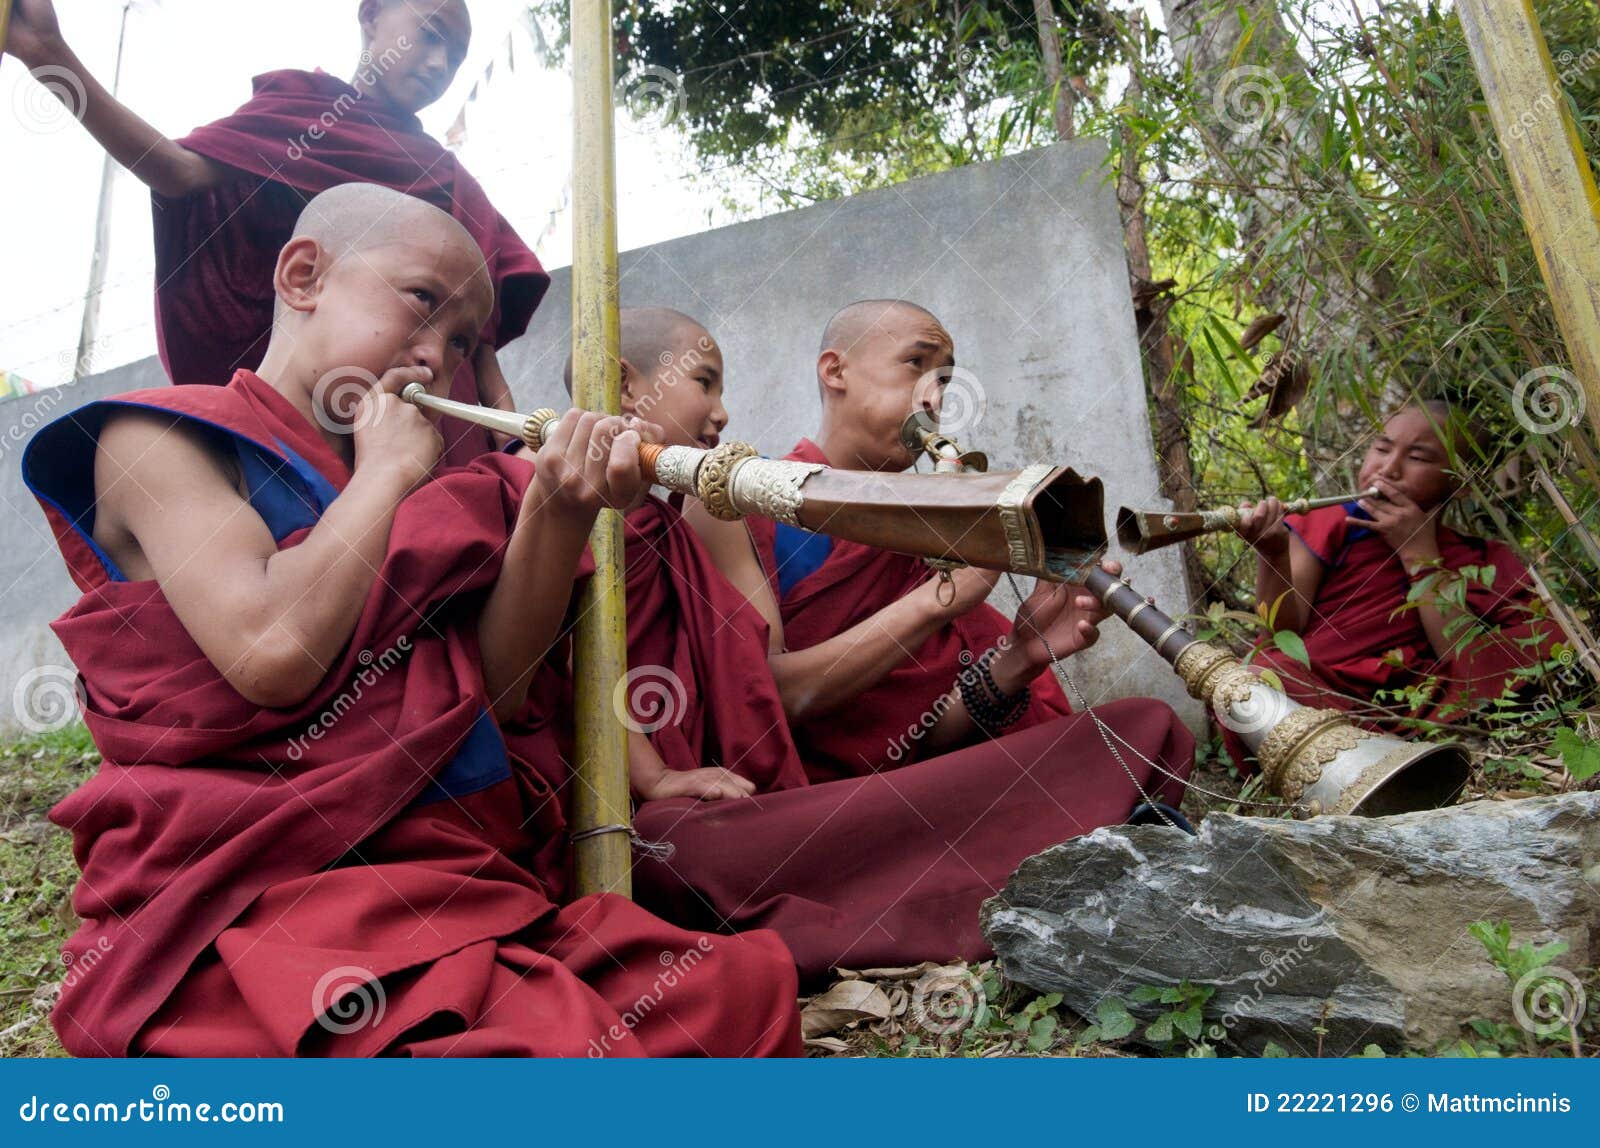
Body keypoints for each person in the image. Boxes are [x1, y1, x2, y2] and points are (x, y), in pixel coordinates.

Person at [21, 188, 800, 1058]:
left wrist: (555, 507)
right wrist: (385, 475)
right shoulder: (156, 440)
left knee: (733, 993)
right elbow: (270, 652)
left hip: (439, 886)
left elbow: (494, 697)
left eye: (464, 341)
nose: (435, 355)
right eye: (422, 303)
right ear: (304, 275)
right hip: (263, 904)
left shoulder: (426, 482)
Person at [518, 307, 1197, 982]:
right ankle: (1054, 857)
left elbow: (912, 739)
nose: (936, 397)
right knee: (681, 848)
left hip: (850, 804)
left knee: (1138, 728)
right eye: (917, 364)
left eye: (947, 379)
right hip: (748, 813)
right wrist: (938, 602)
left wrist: (1014, 662)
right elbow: (770, 693)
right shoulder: (727, 501)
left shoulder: (914, 534)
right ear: (833, 371)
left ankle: (1058, 846)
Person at [7, 0, 547, 467]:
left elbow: (476, 348)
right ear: (371, 15)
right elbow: (178, 173)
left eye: (455, 55)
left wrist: (514, 441)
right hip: (316, 419)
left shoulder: (450, 177)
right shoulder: (306, 111)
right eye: (431, 34)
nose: (439, 63)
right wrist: (50, 57)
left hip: (438, 424)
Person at [1229, 399, 1559, 756]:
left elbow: (1460, 653)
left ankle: (1405, 754)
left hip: (1420, 710)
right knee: (1262, 680)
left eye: (1417, 457)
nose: (1388, 468)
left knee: (1554, 639)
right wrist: (1273, 552)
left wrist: (1418, 551)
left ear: (1463, 483)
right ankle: (1381, 756)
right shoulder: (1332, 522)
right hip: (1320, 696)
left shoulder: (1483, 559)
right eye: (1382, 448)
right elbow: (1279, 633)